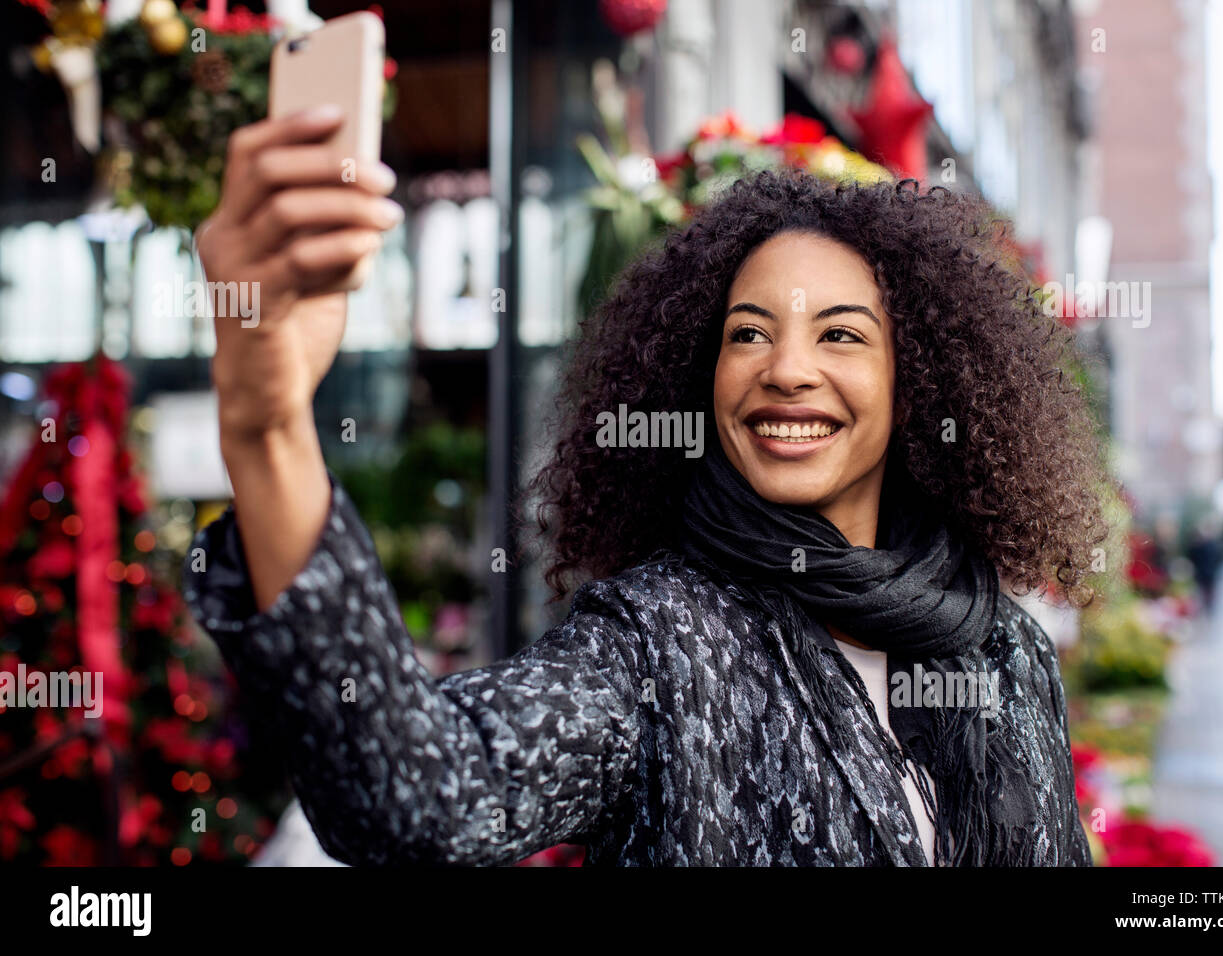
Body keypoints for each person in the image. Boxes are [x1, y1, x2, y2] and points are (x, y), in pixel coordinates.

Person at [184, 107, 1110, 866]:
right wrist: (266, 429)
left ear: (922, 380)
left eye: (839, 335)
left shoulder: (1001, 647)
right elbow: (424, 800)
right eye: (747, 334)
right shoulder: (658, 644)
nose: (784, 370)